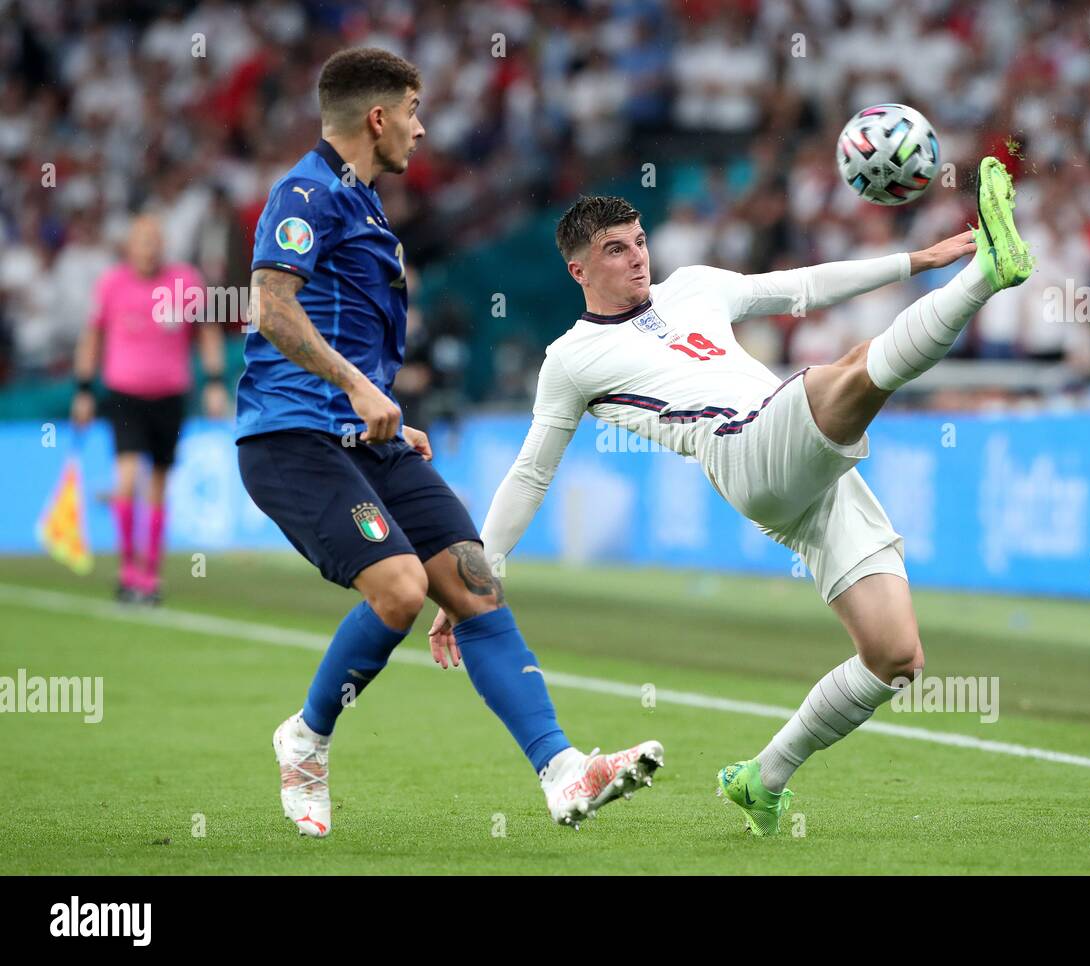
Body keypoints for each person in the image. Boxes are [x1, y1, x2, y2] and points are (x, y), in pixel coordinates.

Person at [428, 158, 1033, 835]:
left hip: (804, 462)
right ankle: (988, 275)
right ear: (579, 271)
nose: (636, 259)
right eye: (616, 250)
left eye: (639, 242)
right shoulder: (570, 360)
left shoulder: (693, 286)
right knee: (855, 372)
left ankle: (763, 778)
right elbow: (532, 471)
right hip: (746, 451)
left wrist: (919, 259)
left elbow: (801, 285)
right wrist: (480, 576)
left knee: (895, 658)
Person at [236, 47, 660, 838]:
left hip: (367, 437)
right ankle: (305, 739)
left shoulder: (363, 206)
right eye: (413, 111)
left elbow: (345, 330)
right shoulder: (308, 191)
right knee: (399, 591)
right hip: (293, 436)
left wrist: (381, 401)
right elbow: (270, 306)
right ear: (377, 116)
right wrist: (361, 390)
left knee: (474, 584)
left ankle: (563, 772)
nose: (421, 129)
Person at [71, 214, 227, 604]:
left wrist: (213, 383)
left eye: (154, 240)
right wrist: (85, 390)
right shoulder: (112, 284)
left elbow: (206, 333)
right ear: (129, 246)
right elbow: (93, 337)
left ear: (163, 244)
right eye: (142, 240)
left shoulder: (185, 281)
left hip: (170, 396)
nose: (149, 248)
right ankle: (127, 569)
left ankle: (150, 575)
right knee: (125, 479)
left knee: (158, 483)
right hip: (125, 395)